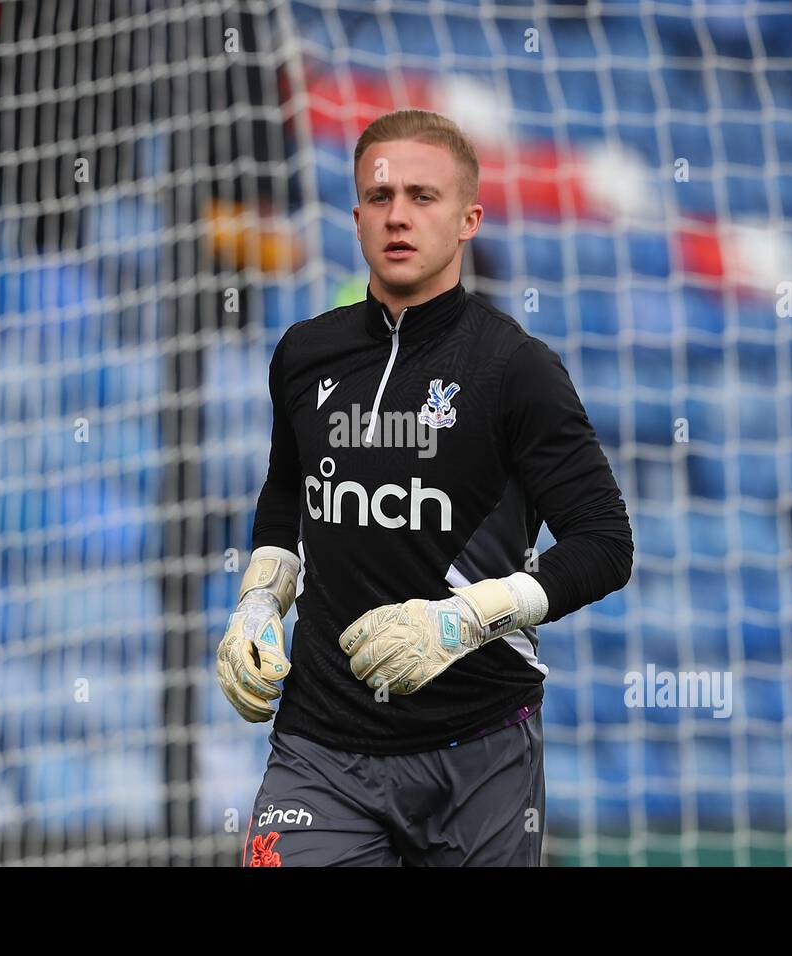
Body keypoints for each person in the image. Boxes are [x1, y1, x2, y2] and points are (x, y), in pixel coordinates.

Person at [215, 109, 633, 866]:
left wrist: (464, 619)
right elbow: (289, 498)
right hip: (319, 750)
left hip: (478, 748)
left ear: (469, 218)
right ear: (355, 215)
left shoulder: (516, 369)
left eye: (422, 196)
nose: (398, 215)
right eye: (379, 198)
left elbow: (605, 545)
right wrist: (257, 601)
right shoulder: (304, 355)